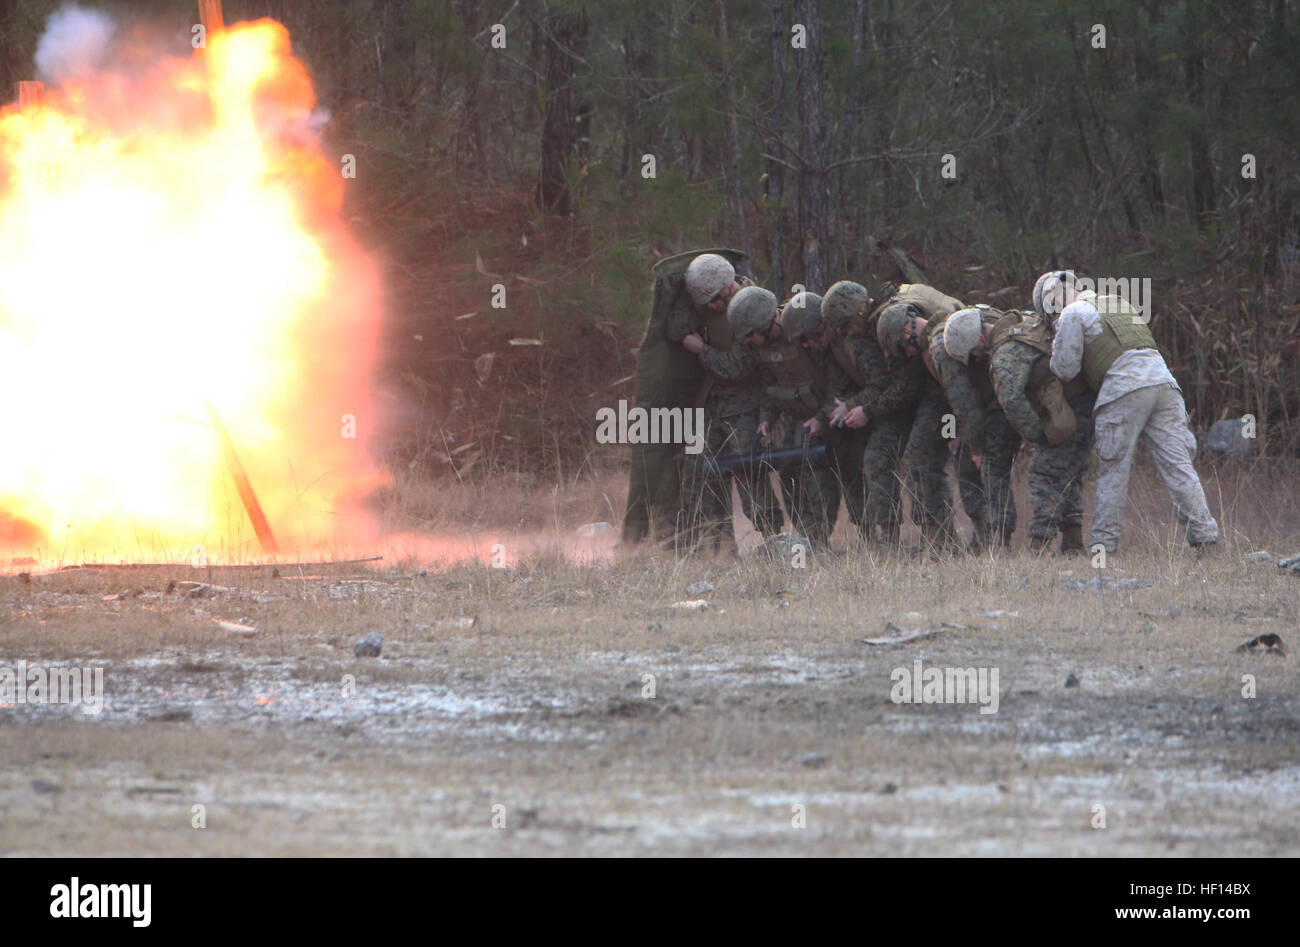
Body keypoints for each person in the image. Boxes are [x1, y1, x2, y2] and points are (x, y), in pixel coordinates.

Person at [1037, 270, 1219, 554]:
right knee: (1178, 466)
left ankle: (1104, 547)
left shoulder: (1073, 313)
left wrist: (1057, 339)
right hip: (1165, 385)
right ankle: (1205, 539)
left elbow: (1065, 369)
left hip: (1123, 390)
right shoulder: (1116, 301)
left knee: (1113, 470)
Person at [677, 257, 783, 553]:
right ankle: (716, 550)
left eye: (713, 301)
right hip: (712, 407)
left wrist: (701, 349)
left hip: (746, 408)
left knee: (751, 477)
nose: (710, 308)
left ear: (727, 287)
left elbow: (737, 367)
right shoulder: (708, 307)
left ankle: (774, 542)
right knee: (702, 478)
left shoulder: (749, 308)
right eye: (706, 303)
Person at [873, 285, 978, 554]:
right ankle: (941, 538)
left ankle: (964, 540)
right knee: (921, 457)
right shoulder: (931, 339)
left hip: (972, 405)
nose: (908, 357)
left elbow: (959, 395)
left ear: (907, 332)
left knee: (926, 457)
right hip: (954, 402)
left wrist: (963, 434)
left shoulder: (939, 343)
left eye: (903, 349)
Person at [985, 307, 1091, 554]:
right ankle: (1073, 544)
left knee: (1042, 473)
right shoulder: (1032, 326)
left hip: (1071, 409)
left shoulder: (1006, 352)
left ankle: (1040, 545)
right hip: (1087, 402)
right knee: (1067, 472)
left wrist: (1035, 434)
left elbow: (1011, 399)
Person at [818, 279, 910, 549]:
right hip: (890, 403)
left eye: (849, 325)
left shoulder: (883, 324)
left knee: (878, 460)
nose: (850, 332)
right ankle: (880, 537)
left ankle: (897, 539)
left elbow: (885, 384)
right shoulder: (852, 341)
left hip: (909, 401)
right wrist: (845, 406)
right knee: (866, 461)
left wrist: (860, 407)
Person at [749, 290, 841, 549]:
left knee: (815, 471)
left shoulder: (810, 334)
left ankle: (820, 538)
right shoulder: (771, 345)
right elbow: (771, 385)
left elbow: (837, 384)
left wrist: (822, 417)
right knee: (788, 471)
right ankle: (806, 536)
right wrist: (765, 420)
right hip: (794, 415)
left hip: (823, 414)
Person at [933, 305, 1024, 551]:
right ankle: (983, 536)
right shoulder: (947, 352)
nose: (975, 360)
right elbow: (954, 401)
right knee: (965, 466)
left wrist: (978, 448)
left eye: (975, 354)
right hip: (977, 413)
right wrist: (954, 434)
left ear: (981, 338)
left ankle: (1001, 541)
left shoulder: (1006, 343)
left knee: (993, 466)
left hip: (1003, 407)